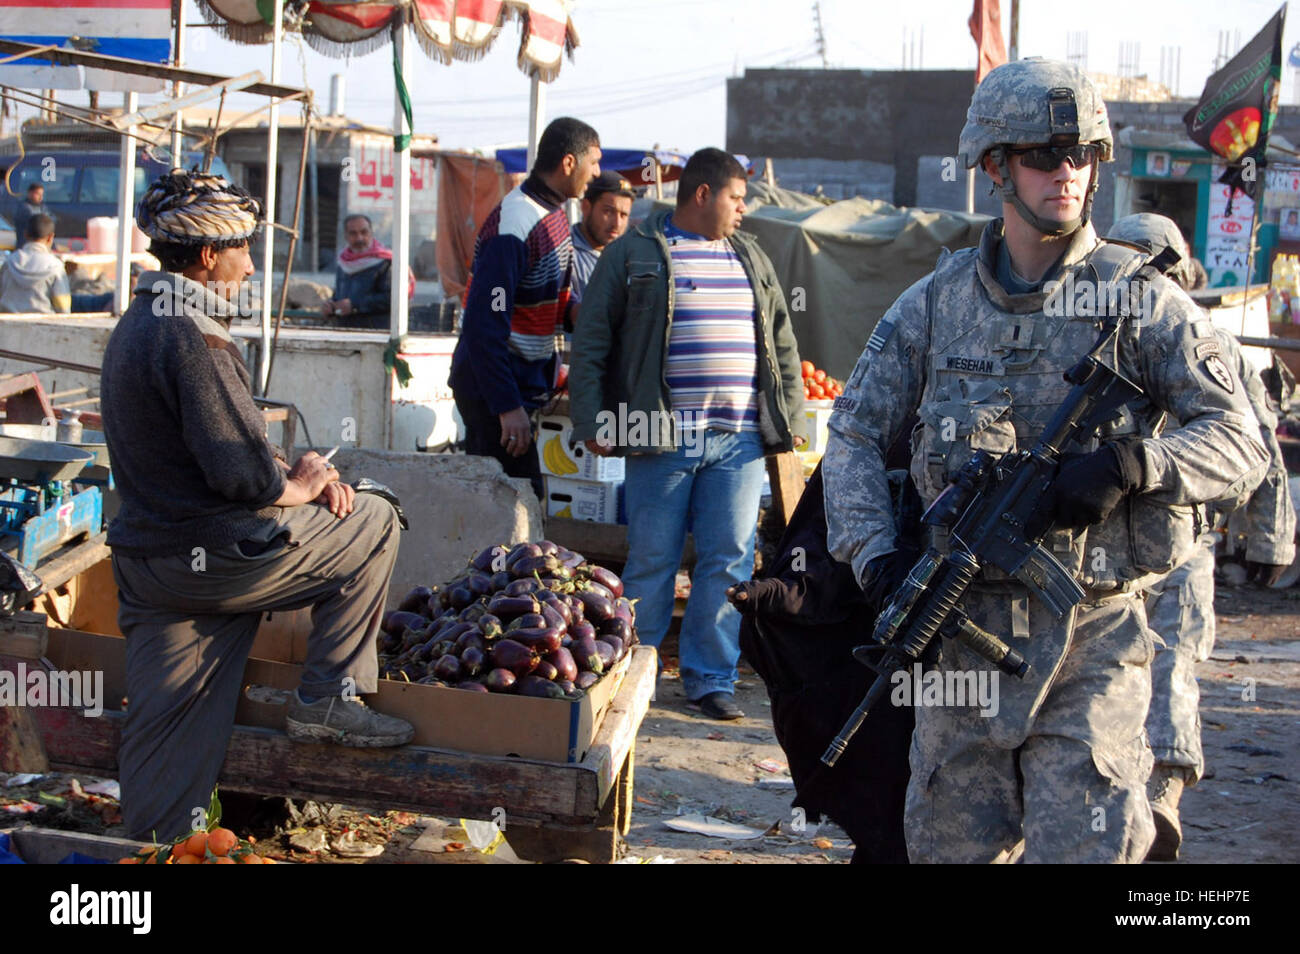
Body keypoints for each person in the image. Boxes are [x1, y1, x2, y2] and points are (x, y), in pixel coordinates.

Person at [822, 59, 1268, 863]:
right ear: (995, 165)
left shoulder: (1140, 302)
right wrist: (876, 557)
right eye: (1042, 154)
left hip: (1093, 647)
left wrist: (1137, 465)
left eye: (1083, 154)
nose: (1066, 172)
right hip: (962, 651)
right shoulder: (936, 304)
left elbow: (1240, 439)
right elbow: (851, 432)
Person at [101, 169, 414, 843]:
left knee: (168, 730)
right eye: (244, 250)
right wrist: (297, 481)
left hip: (149, 566)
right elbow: (240, 472)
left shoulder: (135, 324)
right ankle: (329, 698)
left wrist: (278, 473)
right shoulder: (195, 335)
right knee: (375, 514)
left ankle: (149, 859)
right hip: (212, 558)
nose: (250, 267)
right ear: (208, 255)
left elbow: (207, 453)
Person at [570, 147, 807, 721]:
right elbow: (592, 343)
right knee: (652, 560)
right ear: (703, 195)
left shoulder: (750, 255)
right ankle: (632, 674)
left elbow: (781, 340)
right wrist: (593, 420)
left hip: (740, 439)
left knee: (728, 560)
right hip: (659, 436)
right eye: (736, 198)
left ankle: (710, 679)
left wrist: (791, 418)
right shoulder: (634, 254)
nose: (743, 209)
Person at [1108, 212, 1297, 861]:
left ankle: (1160, 794)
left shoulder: (1211, 342)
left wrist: (1271, 540)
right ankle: (1130, 794)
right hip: (1106, 547)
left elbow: (1259, 446)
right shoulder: (1090, 334)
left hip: (1185, 537)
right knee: (1127, 668)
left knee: (1173, 661)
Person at [449, 117, 602, 496]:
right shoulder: (515, 223)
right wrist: (507, 407)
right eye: (593, 162)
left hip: (521, 388)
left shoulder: (554, 214)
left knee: (519, 501)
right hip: (493, 392)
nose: (596, 173)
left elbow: (551, 297)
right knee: (513, 503)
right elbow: (484, 326)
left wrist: (584, 317)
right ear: (569, 163)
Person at [322, 214, 406, 329]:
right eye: (353, 233)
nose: (359, 238)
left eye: (364, 232)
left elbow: (392, 298)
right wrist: (332, 304)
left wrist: (355, 305)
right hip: (345, 330)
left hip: (375, 332)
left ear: (371, 233)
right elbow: (340, 294)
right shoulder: (343, 263)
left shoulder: (385, 263)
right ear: (346, 236)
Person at [570, 170, 635, 306]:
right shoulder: (566, 254)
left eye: (623, 215)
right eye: (608, 211)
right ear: (586, 207)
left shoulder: (629, 258)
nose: (616, 224)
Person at [0, 214, 70, 313]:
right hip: (45, 324)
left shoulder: (9, 263)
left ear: (25, 234)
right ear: (50, 238)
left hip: (8, 324)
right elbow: (63, 306)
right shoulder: (55, 267)